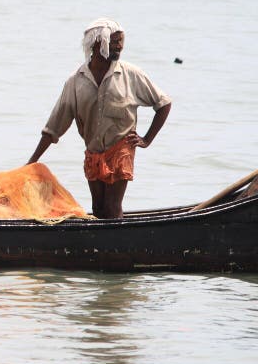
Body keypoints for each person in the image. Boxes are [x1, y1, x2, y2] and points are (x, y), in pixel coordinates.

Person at [27, 18, 172, 219]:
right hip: (93, 152)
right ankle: (102, 245)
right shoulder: (76, 81)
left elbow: (163, 103)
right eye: (114, 41)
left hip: (120, 149)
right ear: (97, 43)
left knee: (112, 207)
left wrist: (146, 139)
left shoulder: (130, 74)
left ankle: (116, 247)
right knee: (98, 209)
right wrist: (33, 160)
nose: (120, 46)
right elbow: (54, 126)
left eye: (121, 41)